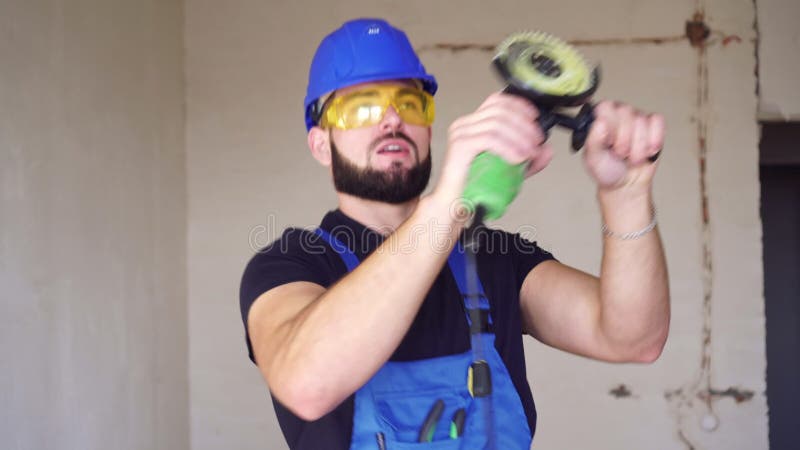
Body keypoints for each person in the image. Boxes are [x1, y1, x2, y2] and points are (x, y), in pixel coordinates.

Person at [239, 17, 669, 450]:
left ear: (427, 127)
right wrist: (448, 203)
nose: (391, 120)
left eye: (410, 104)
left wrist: (627, 194)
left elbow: (633, 337)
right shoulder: (290, 263)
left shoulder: (496, 256)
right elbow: (306, 384)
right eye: (362, 107)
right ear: (320, 144)